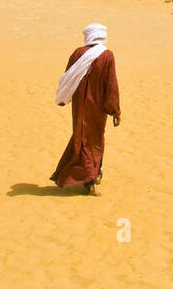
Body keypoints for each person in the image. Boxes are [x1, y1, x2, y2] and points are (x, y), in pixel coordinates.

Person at [50, 22, 121, 194]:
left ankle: (91, 174)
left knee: (80, 136)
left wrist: (63, 99)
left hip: (80, 105)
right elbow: (111, 84)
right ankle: (91, 179)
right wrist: (115, 110)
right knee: (94, 139)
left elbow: (67, 78)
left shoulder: (78, 53)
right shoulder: (107, 55)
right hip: (98, 105)